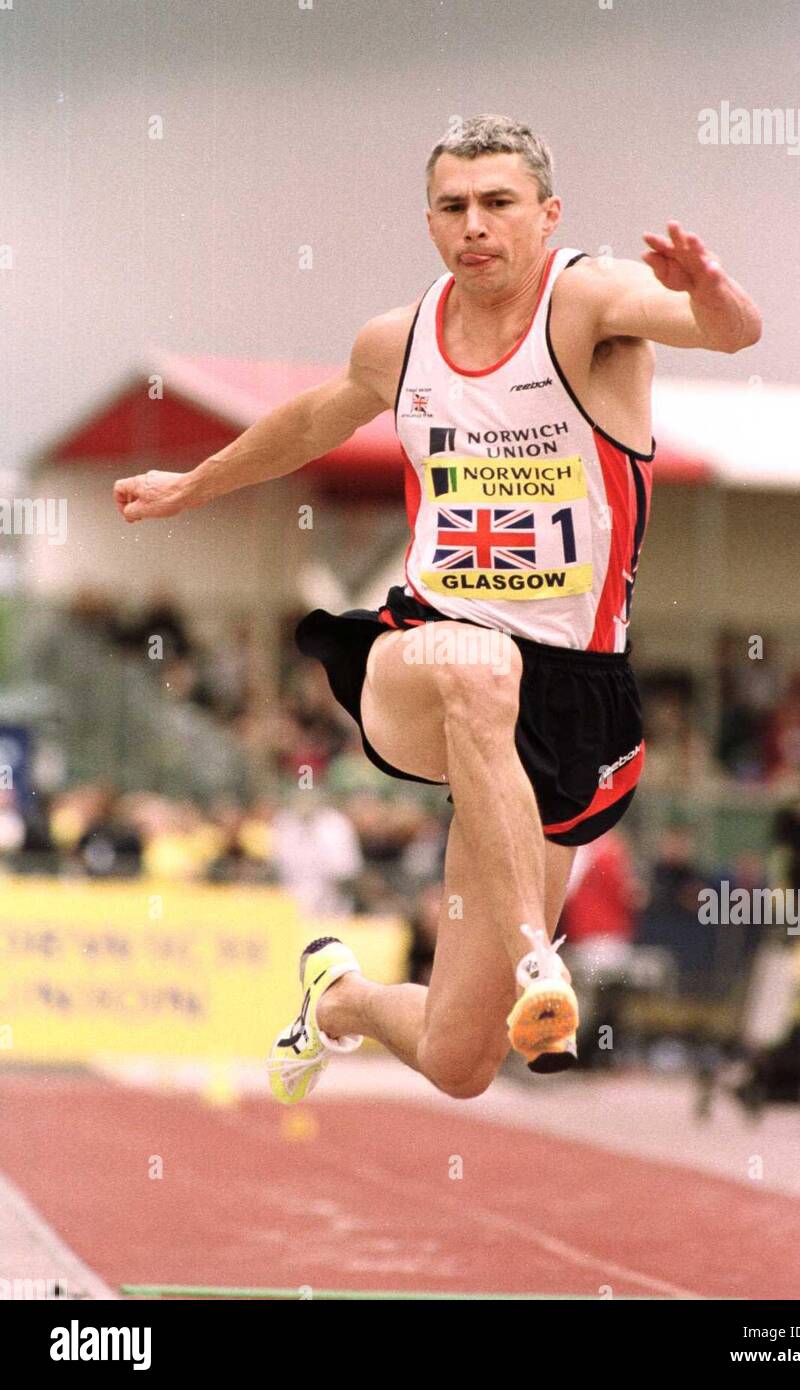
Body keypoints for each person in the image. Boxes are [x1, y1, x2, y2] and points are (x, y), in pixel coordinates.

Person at [113, 114, 762, 1101]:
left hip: (575, 696)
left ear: (547, 217)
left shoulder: (590, 307)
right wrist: (189, 486)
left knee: (463, 1062)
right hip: (422, 651)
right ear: (429, 222)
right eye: (454, 207)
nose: (476, 226)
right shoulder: (400, 340)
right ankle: (539, 956)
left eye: (499, 204)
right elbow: (307, 421)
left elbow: (730, 331)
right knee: (475, 664)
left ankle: (342, 999)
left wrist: (707, 284)